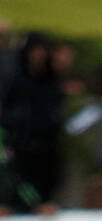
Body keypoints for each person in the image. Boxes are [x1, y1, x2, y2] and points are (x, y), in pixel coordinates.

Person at [0, 30, 65, 202]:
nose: (40, 55)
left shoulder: (49, 79)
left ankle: (39, 204)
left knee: (44, 184)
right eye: (36, 50)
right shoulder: (14, 76)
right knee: (18, 183)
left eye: (43, 50)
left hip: (45, 145)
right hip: (19, 142)